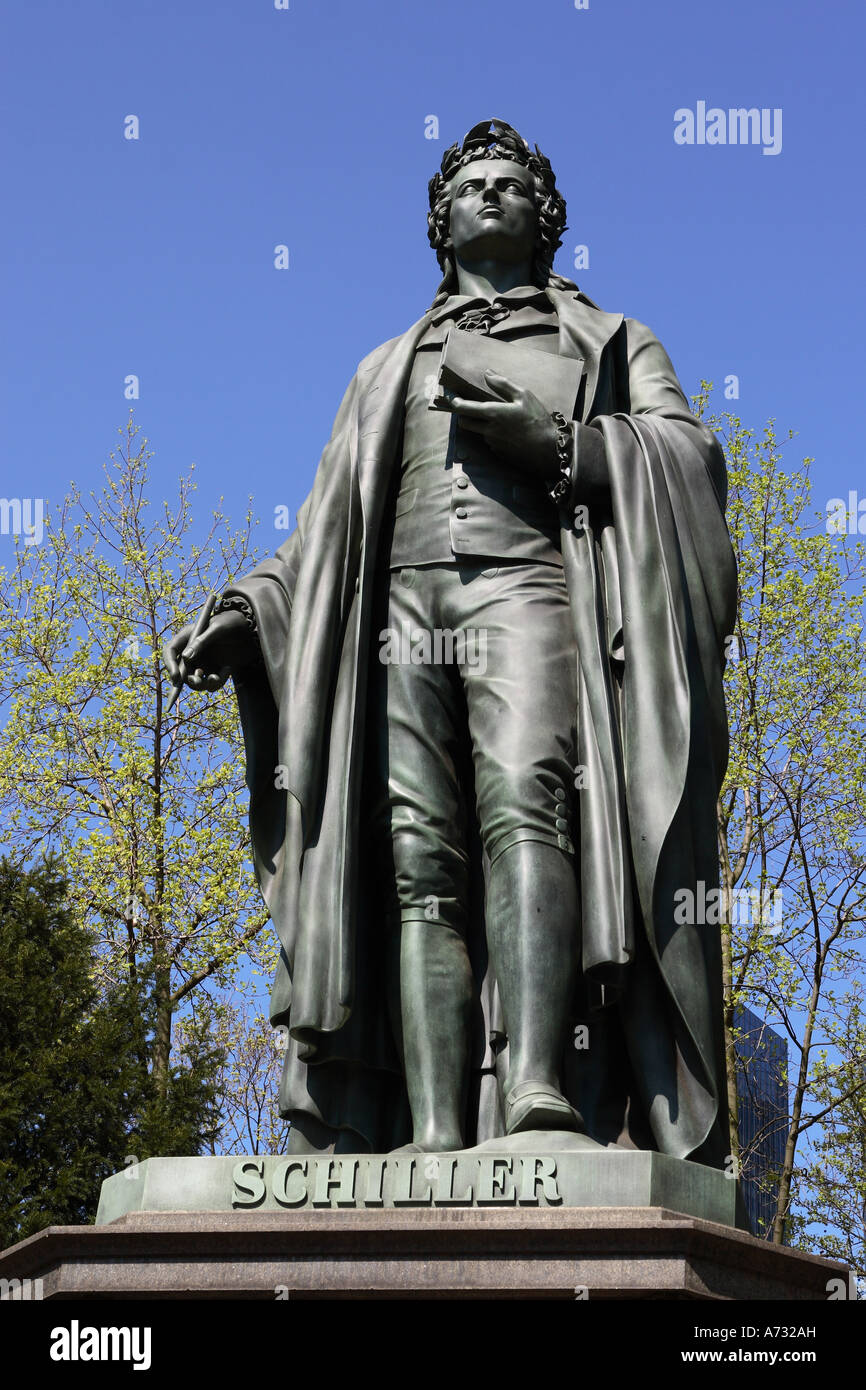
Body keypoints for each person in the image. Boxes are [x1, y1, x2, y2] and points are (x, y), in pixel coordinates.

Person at [164, 120, 737, 1163]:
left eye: (509, 185)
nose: (488, 195)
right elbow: (324, 532)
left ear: (542, 217)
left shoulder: (604, 341)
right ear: (440, 223)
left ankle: (533, 1092)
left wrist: (564, 445)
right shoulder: (386, 366)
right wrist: (253, 608)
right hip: (398, 614)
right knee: (418, 859)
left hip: (527, 593)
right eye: (469, 184)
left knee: (528, 810)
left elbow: (689, 459)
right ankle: (429, 1128)